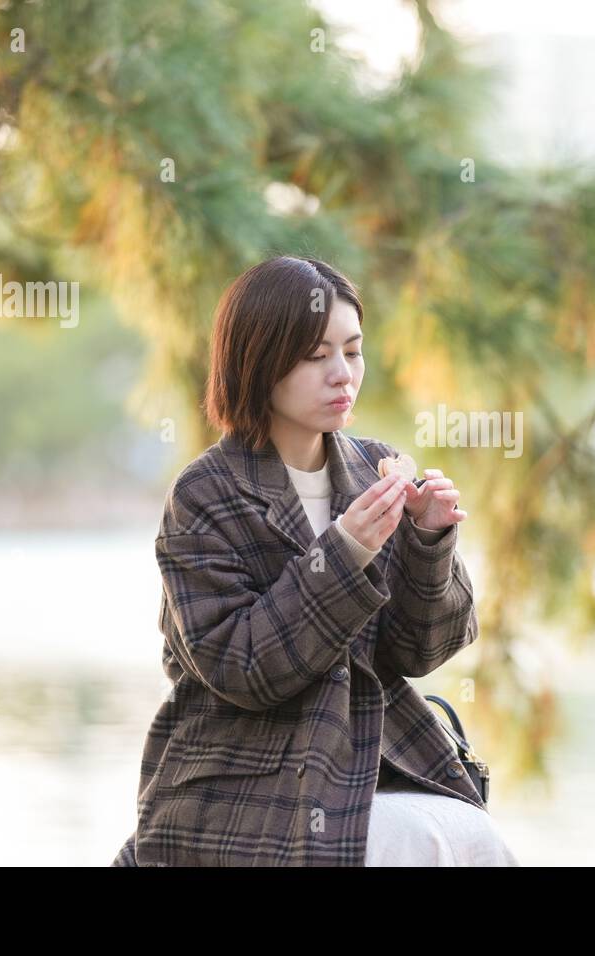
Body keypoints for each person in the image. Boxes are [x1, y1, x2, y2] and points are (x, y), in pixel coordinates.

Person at [112, 255, 518, 866]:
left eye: (352, 352)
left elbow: (421, 652)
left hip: (374, 758)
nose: (342, 375)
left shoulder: (373, 467)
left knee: (474, 839)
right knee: (402, 844)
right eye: (314, 355)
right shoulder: (205, 495)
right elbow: (244, 667)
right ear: (258, 362)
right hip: (245, 777)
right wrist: (345, 553)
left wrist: (429, 543)